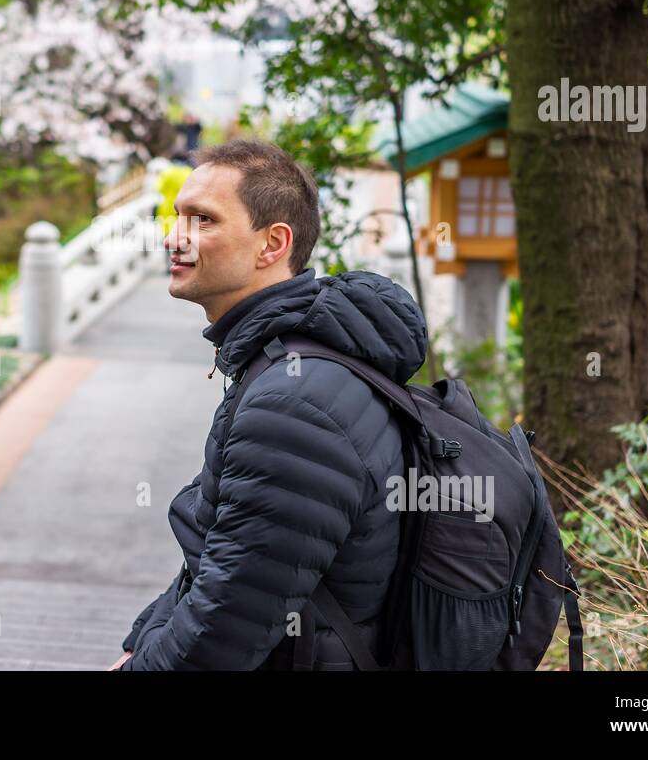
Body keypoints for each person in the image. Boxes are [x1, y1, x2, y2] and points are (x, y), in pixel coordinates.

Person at [110, 138, 427, 671]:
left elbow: (227, 625)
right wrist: (140, 641)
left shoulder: (295, 402)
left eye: (202, 220)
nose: (174, 237)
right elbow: (220, 559)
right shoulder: (287, 360)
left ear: (272, 244)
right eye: (176, 217)